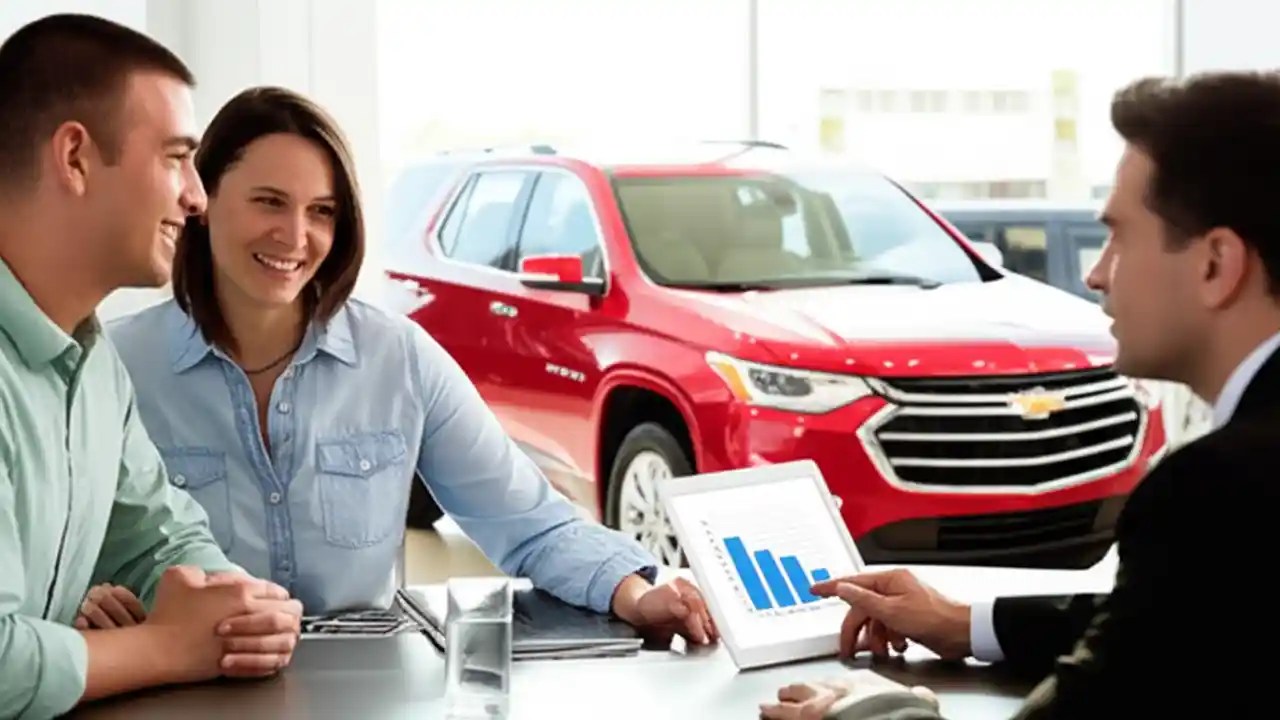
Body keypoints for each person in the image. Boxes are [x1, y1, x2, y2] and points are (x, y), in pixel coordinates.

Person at [87, 85, 719, 645]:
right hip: (183, 690)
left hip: (363, 689)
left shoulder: (400, 358)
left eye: (321, 211)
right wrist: (75, 603)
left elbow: (529, 524)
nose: (295, 235)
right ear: (203, 199)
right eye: (269, 202)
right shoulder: (112, 366)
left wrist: (637, 595)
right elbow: (53, 560)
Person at [761, 70, 1280, 720]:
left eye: (1118, 235)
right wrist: (965, 622)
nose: (1096, 273)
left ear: (1215, 265)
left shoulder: (1216, 490)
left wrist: (879, 712)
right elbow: (1188, 616)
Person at [0, 14, 304, 719]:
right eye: (175, 159)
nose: (196, 198)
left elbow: (160, 533)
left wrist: (241, 611)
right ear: (74, 157)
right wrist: (168, 646)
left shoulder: (92, 362)